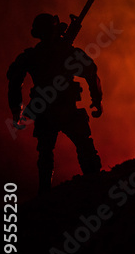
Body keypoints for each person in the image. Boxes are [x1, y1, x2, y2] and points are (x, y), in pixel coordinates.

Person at [7, 13, 103, 193]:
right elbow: (91, 72)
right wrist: (96, 100)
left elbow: (14, 80)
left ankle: (46, 192)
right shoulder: (66, 52)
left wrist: (16, 109)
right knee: (82, 146)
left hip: (44, 111)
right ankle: (94, 186)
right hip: (65, 110)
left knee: (46, 153)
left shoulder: (31, 56)